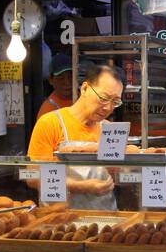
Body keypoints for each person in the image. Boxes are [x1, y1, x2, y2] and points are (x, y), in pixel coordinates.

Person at [27, 63, 125, 209]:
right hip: (60, 218)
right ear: (84, 88)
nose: (108, 107)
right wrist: (81, 186)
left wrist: (118, 173)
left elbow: (119, 177)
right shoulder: (50, 123)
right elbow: (33, 177)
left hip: (105, 217)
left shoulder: (110, 130)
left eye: (115, 102)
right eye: (104, 98)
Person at [37, 52, 74, 119]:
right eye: (61, 78)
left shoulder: (86, 98)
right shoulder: (47, 111)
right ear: (51, 80)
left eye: (71, 76)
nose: (67, 82)